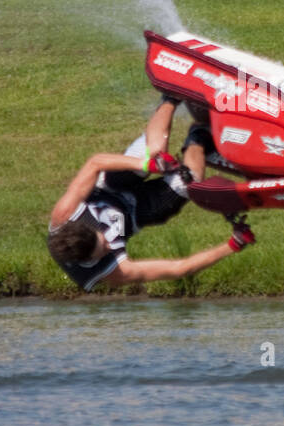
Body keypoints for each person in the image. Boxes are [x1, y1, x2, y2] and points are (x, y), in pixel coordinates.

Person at [46, 98, 256, 289]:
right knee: (189, 180)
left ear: (84, 226)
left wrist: (147, 164)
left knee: (154, 153)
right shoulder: (112, 272)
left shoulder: (64, 214)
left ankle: (171, 95)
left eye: (103, 240)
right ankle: (199, 138)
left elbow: (95, 163)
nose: (109, 244)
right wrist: (233, 244)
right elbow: (178, 269)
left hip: (110, 187)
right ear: (89, 261)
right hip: (138, 211)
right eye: (103, 251)